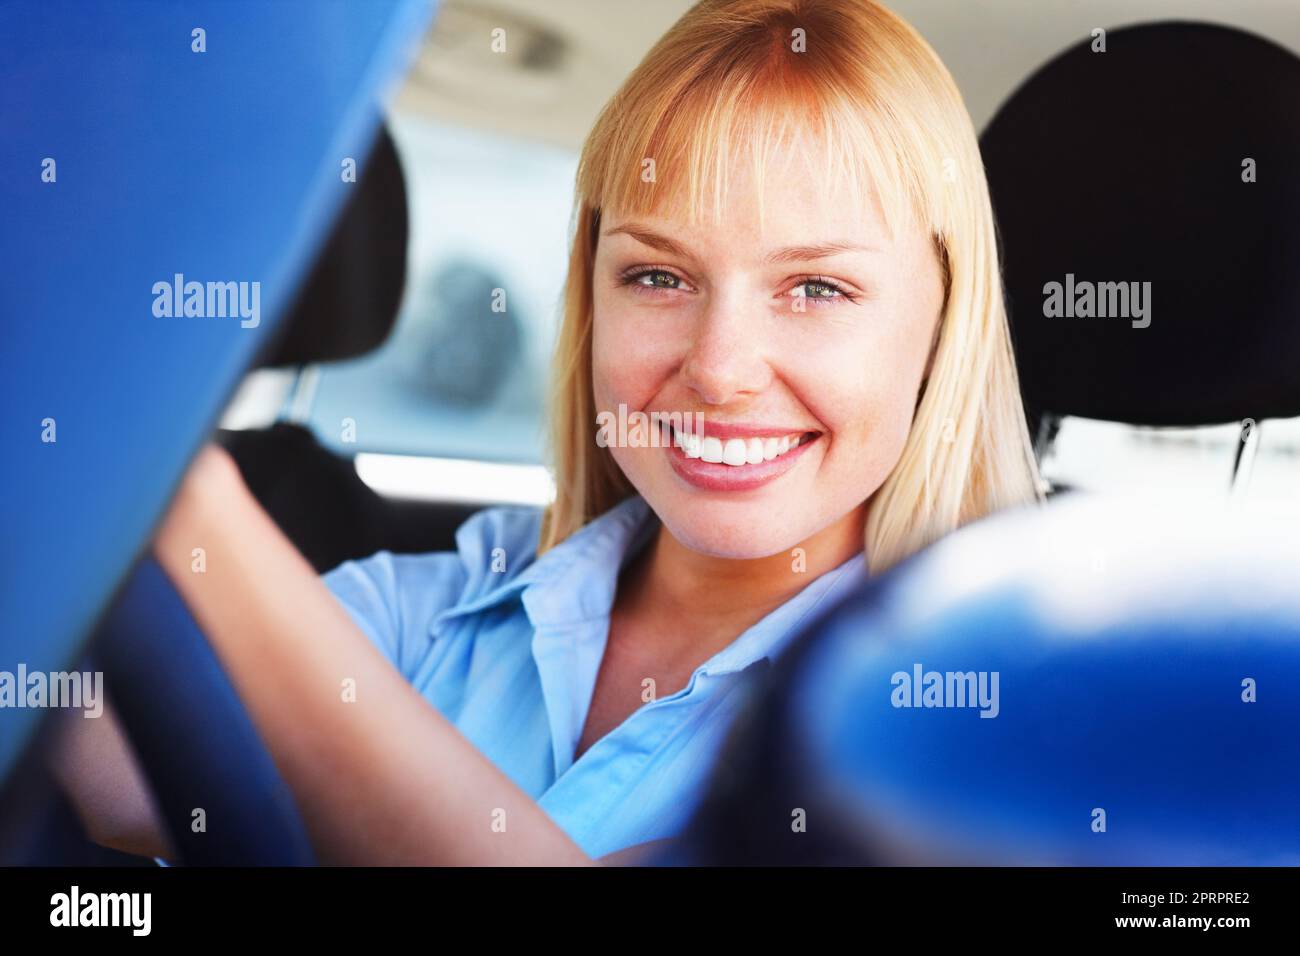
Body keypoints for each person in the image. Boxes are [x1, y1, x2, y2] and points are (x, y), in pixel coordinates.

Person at [51, 0, 1041, 864]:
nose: (720, 366)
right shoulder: (449, 600)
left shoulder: (962, 712)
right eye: (658, 274)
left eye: (816, 287)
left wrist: (176, 487)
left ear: (942, 324)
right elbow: (124, 772)